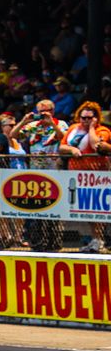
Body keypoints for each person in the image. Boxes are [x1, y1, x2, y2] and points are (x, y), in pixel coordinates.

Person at [60, 102, 111, 252]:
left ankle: (99, 239)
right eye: (83, 118)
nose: (85, 120)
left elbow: (97, 146)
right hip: (76, 174)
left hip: (95, 174)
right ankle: (94, 238)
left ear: (95, 118)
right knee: (86, 210)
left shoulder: (102, 130)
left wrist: (91, 128)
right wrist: (72, 149)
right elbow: (62, 147)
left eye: (89, 118)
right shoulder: (72, 129)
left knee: (97, 209)